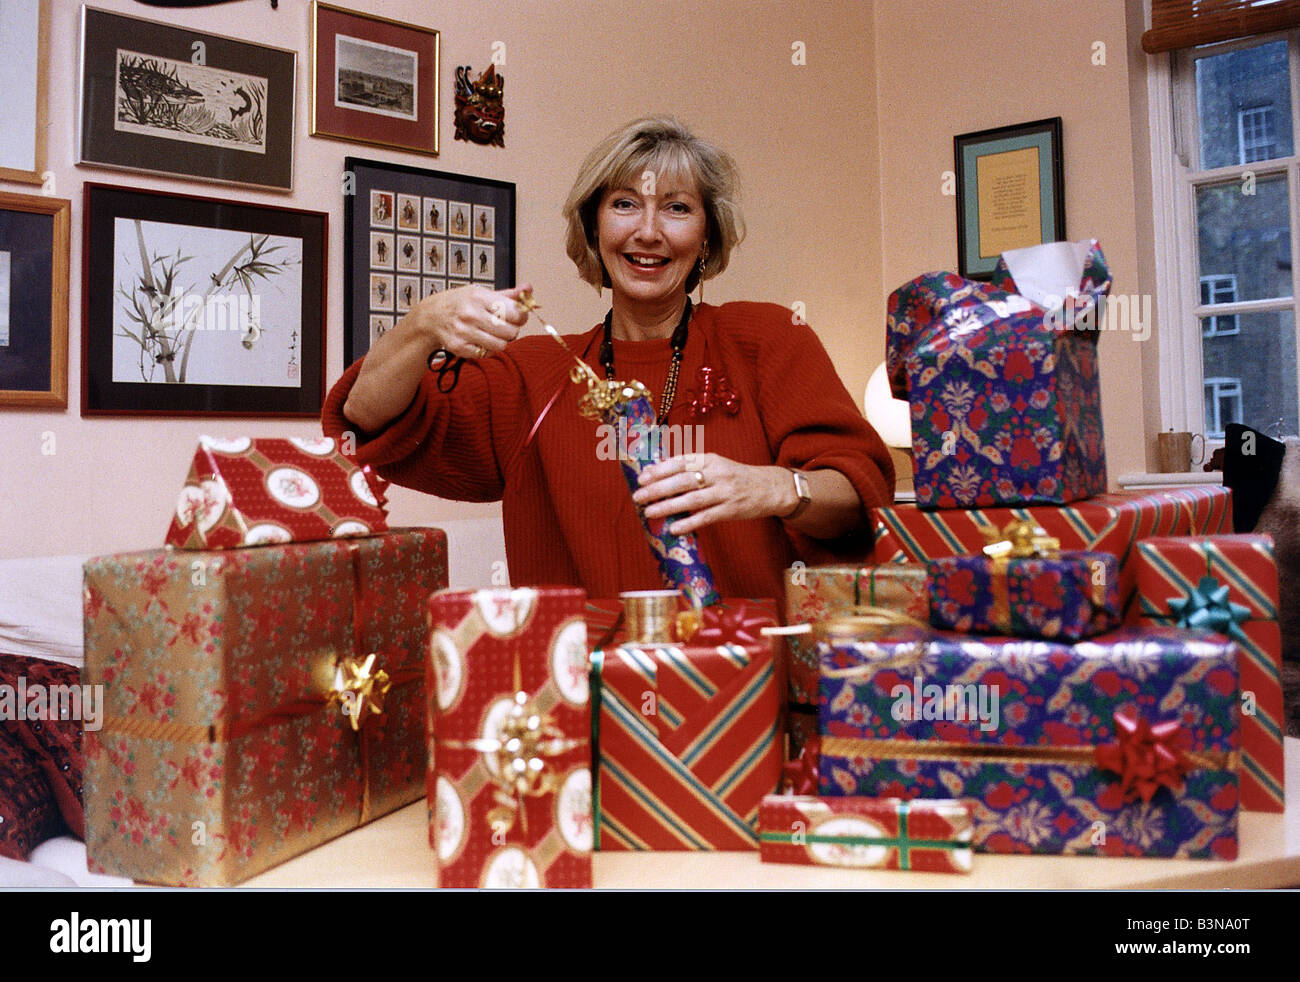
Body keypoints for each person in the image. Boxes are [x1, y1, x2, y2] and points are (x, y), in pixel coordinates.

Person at [323, 116, 894, 601]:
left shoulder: (767, 338)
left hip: (744, 687)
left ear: (707, 234)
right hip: (576, 701)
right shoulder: (535, 374)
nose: (648, 232)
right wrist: (422, 325)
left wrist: (776, 488)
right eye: (625, 204)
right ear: (594, 229)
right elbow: (368, 419)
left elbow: (858, 497)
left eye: (676, 208)